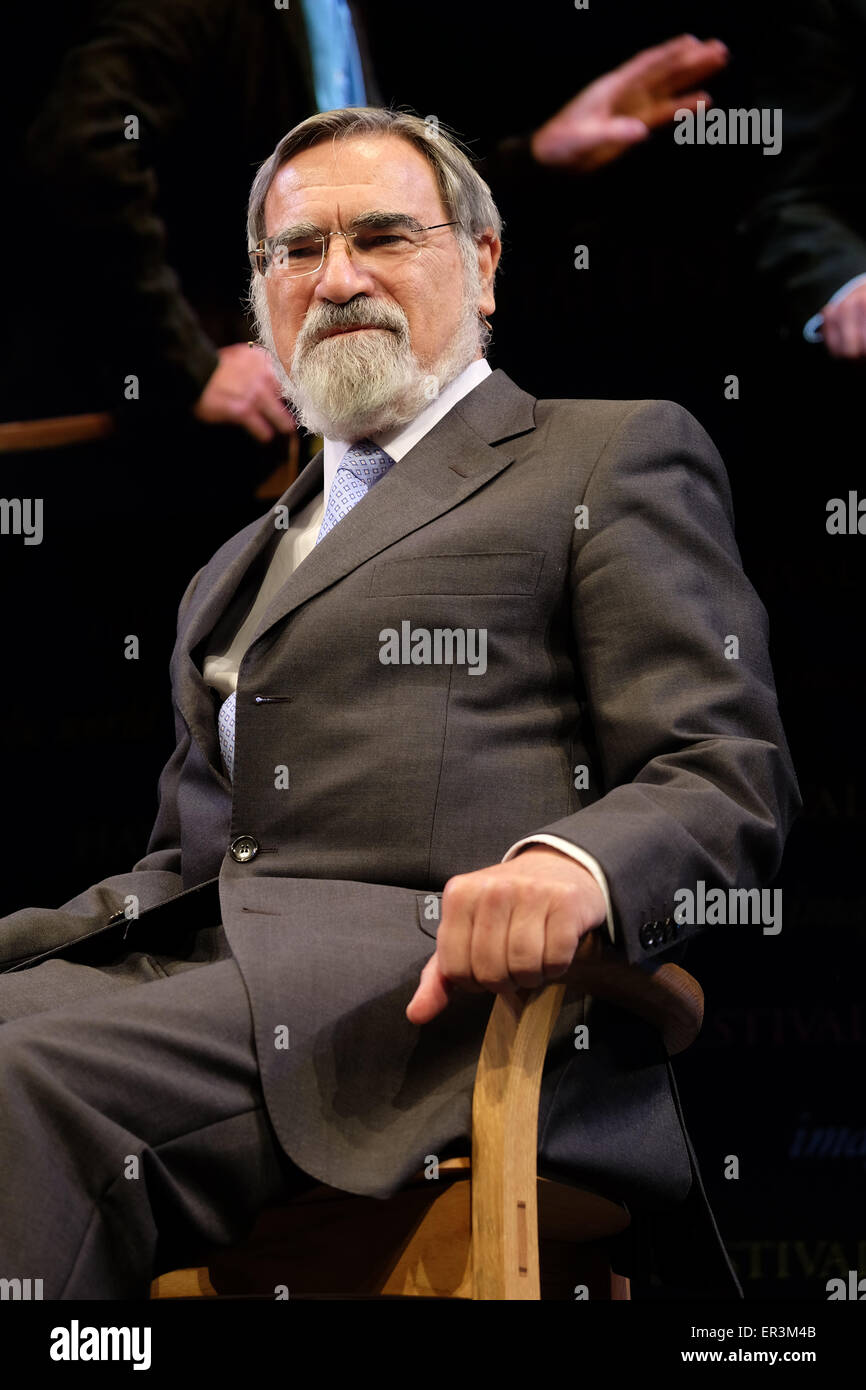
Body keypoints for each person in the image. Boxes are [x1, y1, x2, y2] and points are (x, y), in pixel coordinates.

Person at [0, 107, 799, 1300]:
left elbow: (724, 771)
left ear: (481, 266)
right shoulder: (232, 566)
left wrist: (571, 868)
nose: (336, 278)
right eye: (296, 250)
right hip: (208, 997)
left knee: (24, 1079)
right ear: (259, 296)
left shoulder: (603, 457)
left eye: (381, 236)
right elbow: (193, 865)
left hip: (428, 1014)